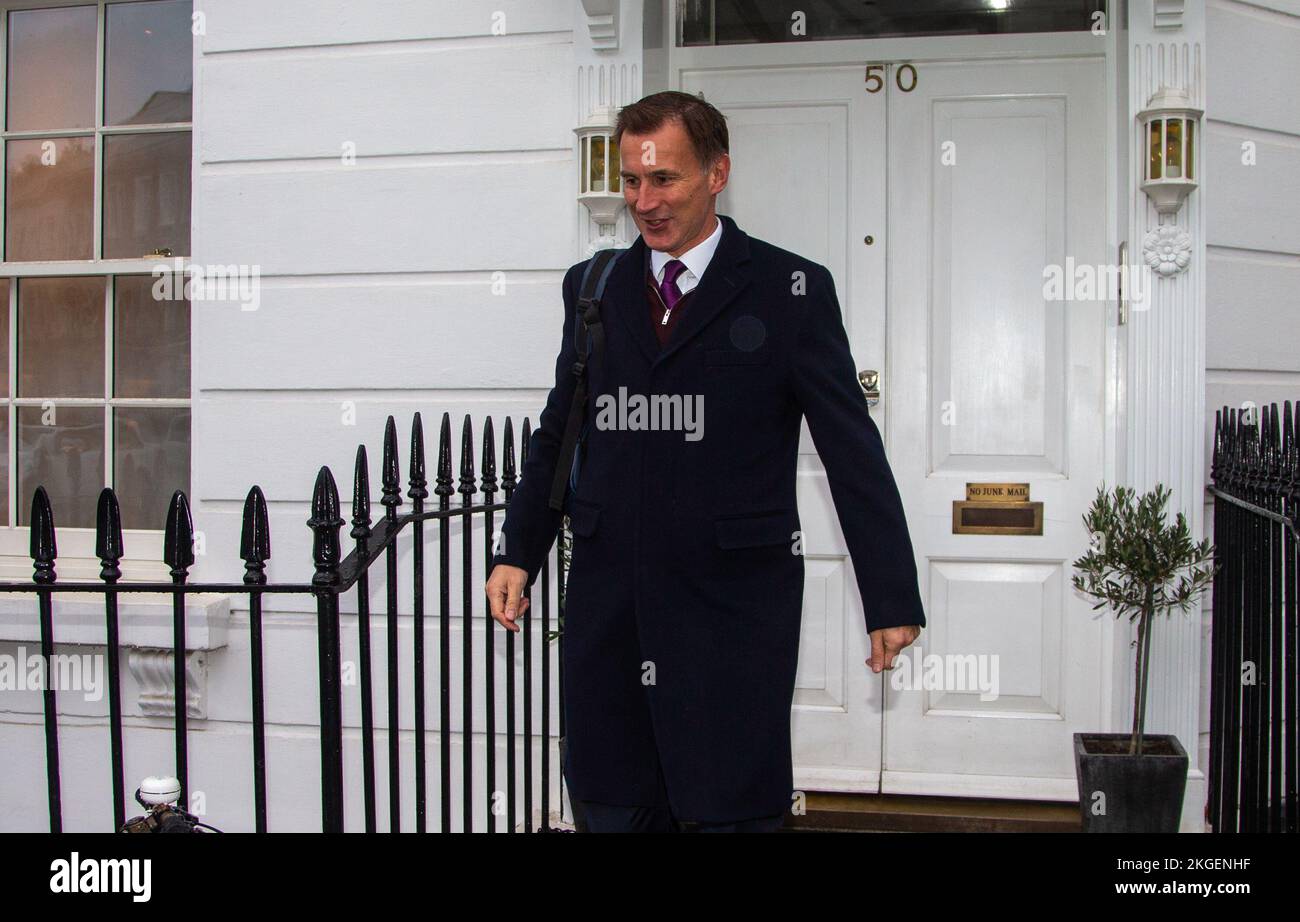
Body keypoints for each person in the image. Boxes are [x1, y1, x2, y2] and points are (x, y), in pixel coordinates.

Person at [486, 90, 924, 833]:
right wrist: (518, 550)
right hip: (609, 609)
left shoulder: (792, 290)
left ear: (717, 173)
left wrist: (890, 596)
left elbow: (851, 448)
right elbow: (562, 429)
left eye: (665, 180)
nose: (644, 202)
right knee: (612, 805)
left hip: (731, 616)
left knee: (728, 811)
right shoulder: (591, 288)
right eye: (631, 181)